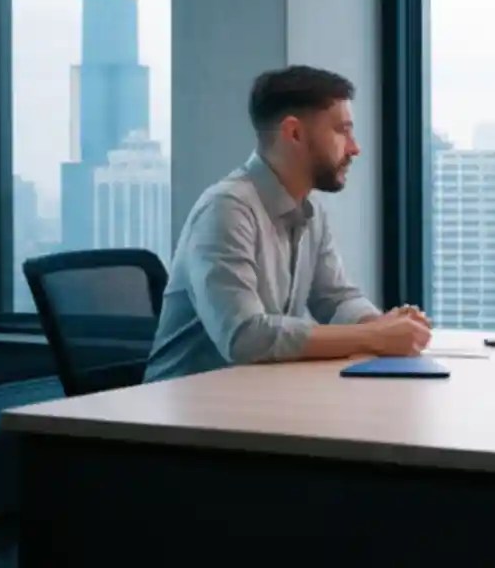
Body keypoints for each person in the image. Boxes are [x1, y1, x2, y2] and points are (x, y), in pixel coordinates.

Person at [145, 66, 432, 381]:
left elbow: (335, 299)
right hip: (180, 410)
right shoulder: (226, 209)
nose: (354, 148)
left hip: (254, 395)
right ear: (294, 133)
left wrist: (379, 324)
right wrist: (375, 337)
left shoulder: (310, 210)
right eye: (342, 131)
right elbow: (245, 338)